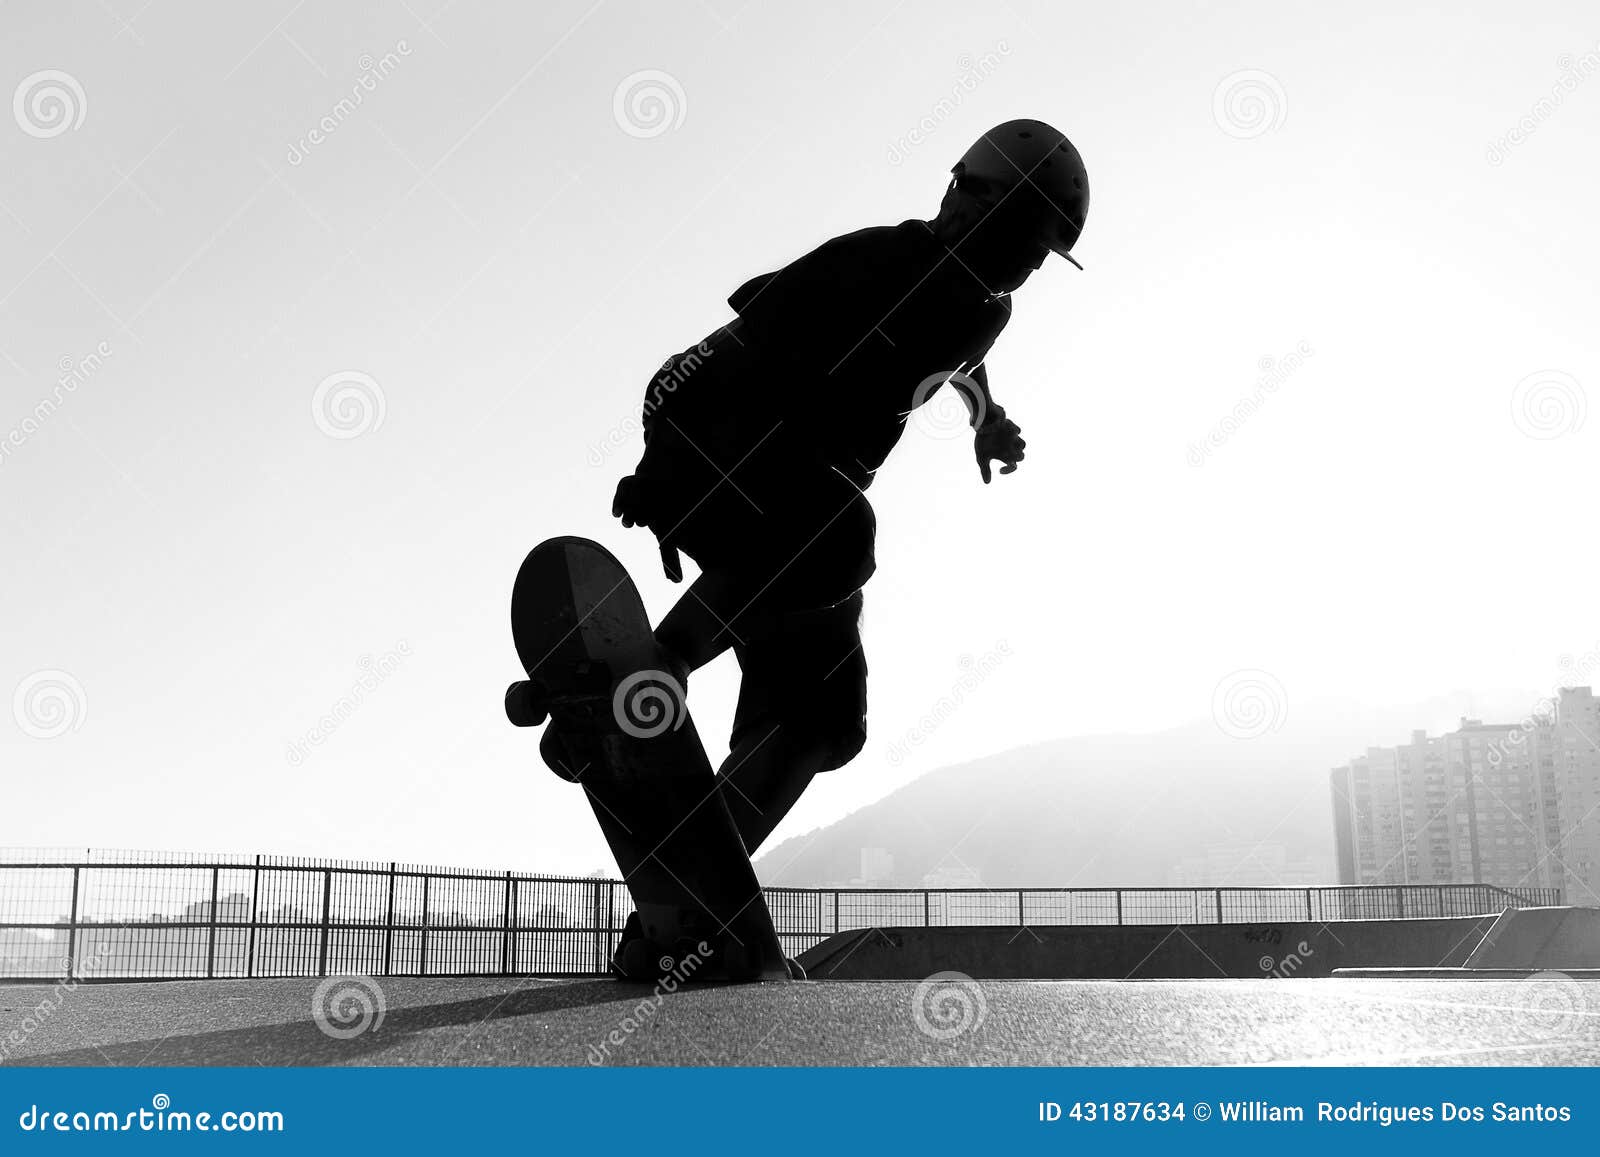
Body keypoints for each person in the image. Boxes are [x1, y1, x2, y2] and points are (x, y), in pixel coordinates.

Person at [605, 118, 1088, 856]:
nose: (1021, 267)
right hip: (715, 441)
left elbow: (961, 356)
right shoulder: (876, 260)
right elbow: (735, 344)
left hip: (791, 527)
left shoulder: (987, 307)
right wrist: (661, 460)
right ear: (964, 198)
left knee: (825, 717)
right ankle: (660, 664)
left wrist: (986, 421)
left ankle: (699, 884)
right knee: (841, 530)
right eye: (1017, 238)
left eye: (1037, 257)